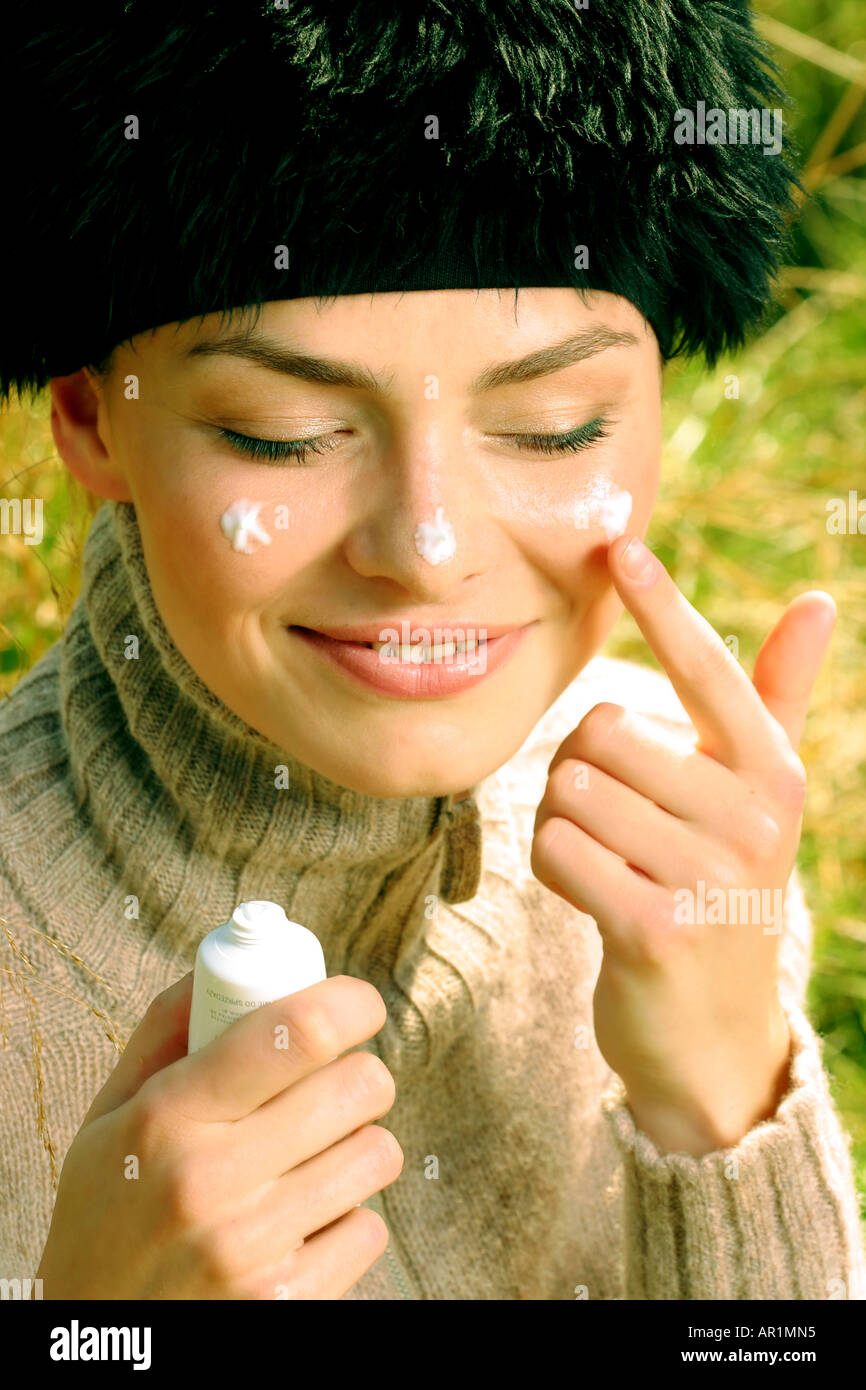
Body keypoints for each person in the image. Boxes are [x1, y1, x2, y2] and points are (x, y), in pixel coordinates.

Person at [0, 1, 863, 1301]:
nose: (426, 544)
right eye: (285, 433)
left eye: (556, 425)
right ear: (90, 421)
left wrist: (724, 1095)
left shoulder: (684, 848)